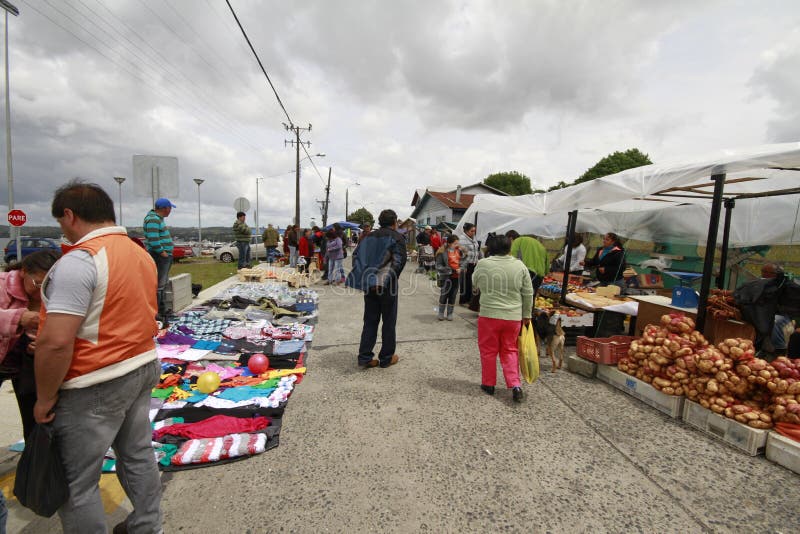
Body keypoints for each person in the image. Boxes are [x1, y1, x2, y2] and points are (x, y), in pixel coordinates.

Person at [34, 180, 162, 533]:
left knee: (78, 484)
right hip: (141, 364)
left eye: (61, 222)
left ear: (70, 216)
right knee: (137, 455)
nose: (62, 230)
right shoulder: (140, 254)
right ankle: (148, 526)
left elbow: (56, 343)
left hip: (94, 380)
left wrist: (45, 397)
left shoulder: (80, 261)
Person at [0, 250, 61, 442]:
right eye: (38, 283)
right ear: (24, 271)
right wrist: (18, 318)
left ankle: (33, 461)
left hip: (24, 367)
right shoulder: (3, 284)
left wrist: (40, 345)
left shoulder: (54, 294)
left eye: (48, 285)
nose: (40, 290)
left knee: (33, 421)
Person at [472, 234, 533, 403]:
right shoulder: (520, 266)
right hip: (513, 317)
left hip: (489, 316)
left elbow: (474, 284)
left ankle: (489, 384)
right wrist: (527, 315)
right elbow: (528, 292)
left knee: (488, 350)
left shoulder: (483, 264)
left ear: (491, 248)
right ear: (509, 248)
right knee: (510, 350)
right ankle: (515, 385)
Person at [346, 209, 407, 369]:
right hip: (387, 286)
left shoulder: (368, 237)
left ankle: (365, 357)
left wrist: (366, 277)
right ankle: (386, 358)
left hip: (369, 284)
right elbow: (398, 262)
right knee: (388, 322)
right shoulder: (397, 237)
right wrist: (389, 281)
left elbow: (356, 258)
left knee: (370, 321)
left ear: (379, 222)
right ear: (394, 222)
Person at [143, 197, 175, 321]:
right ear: (165, 208)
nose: (170, 210)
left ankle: (162, 309)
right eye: (170, 208)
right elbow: (153, 239)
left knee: (162, 283)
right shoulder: (152, 219)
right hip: (159, 256)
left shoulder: (157, 219)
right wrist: (163, 253)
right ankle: (158, 312)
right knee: (159, 285)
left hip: (163, 256)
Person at [506, 230, 548, 300]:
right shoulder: (539, 244)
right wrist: (544, 273)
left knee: (521, 298)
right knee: (531, 298)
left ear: (510, 238)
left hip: (528, 273)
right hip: (539, 276)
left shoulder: (517, 241)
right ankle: (530, 311)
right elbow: (547, 264)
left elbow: (512, 257)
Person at [435, 235, 463, 321]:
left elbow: (462, 262)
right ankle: (441, 313)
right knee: (444, 295)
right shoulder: (442, 252)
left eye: (457, 243)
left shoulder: (459, 251)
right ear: (449, 243)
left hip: (456, 278)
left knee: (453, 295)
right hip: (446, 277)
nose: (457, 245)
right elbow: (438, 266)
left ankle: (450, 313)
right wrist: (450, 270)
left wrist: (461, 268)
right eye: (455, 244)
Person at [457, 223, 481, 305]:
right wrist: (463, 265)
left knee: (471, 283)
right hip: (466, 264)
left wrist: (478, 259)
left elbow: (476, 249)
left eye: (474, 231)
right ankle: (463, 301)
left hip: (473, 263)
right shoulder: (462, 239)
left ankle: (469, 300)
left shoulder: (473, 238)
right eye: (472, 231)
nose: (473, 232)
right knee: (465, 283)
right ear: (466, 231)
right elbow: (461, 254)